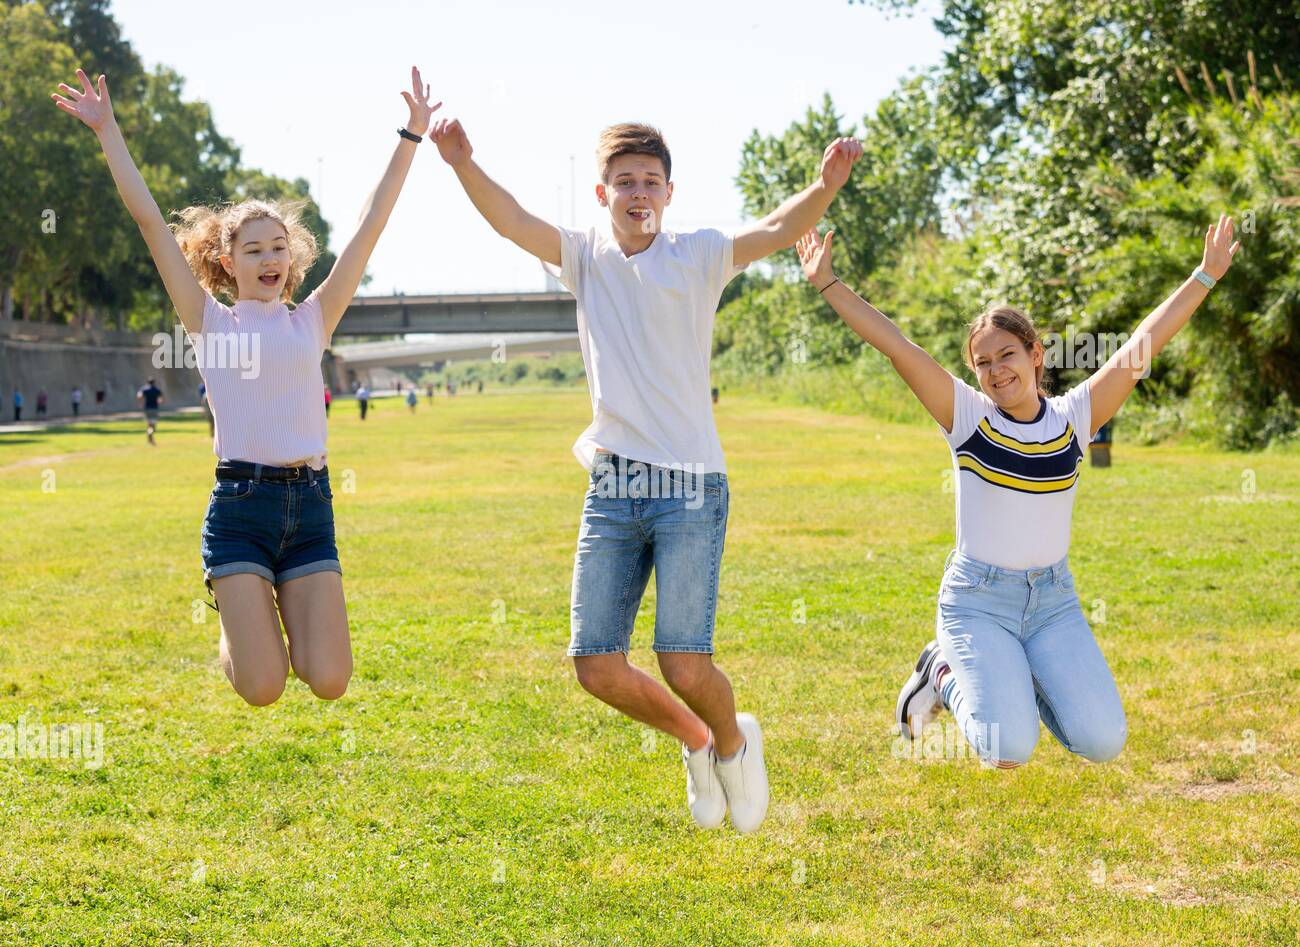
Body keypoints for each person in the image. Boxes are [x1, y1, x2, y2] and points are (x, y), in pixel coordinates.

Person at [433, 115, 862, 832]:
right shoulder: (583, 256)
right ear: (602, 193)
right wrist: (460, 163)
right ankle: (696, 740)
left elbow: (775, 228)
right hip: (614, 486)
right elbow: (511, 221)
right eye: (625, 182)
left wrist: (824, 185)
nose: (639, 193)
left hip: (690, 485)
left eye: (651, 182)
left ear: (669, 192)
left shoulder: (698, 255)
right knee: (596, 664)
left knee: (685, 665)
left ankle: (733, 741)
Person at [54, 64, 440, 706]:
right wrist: (107, 130)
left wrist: (409, 136)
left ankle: (263, 613)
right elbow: (152, 223)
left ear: (292, 260)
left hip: (310, 506)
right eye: (255, 249)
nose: (270, 258)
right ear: (227, 261)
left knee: (329, 680)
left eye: (279, 248)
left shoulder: (313, 318)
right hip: (240, 507)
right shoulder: (209, 321)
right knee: (262, 687)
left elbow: (369, 229)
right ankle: (238, 633)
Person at [794, 216, 1241, 768]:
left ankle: (1008, 670)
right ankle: (941, 672)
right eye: (982, 362)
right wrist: (827, 283)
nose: (995, 370)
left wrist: (1205, 275)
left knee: (1102, 742)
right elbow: (897, 345)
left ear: (1035, 354)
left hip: (1053, 603)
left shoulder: (1076, 417)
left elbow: (1140, 347)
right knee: (1008, 749)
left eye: (1006, 354)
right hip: (978, 602)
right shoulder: (967, 417)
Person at [137, 376, 164, 444]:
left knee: (149, 424)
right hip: (154, 408)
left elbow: (139, 396)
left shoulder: (144, 389)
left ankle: (150, 439)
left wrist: (141, 402)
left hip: (147, 408)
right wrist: (159, 402)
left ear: (147, 382)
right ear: (154, 382)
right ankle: (150, 436)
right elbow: (161, 399)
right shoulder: (157, 389)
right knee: (153, 425)